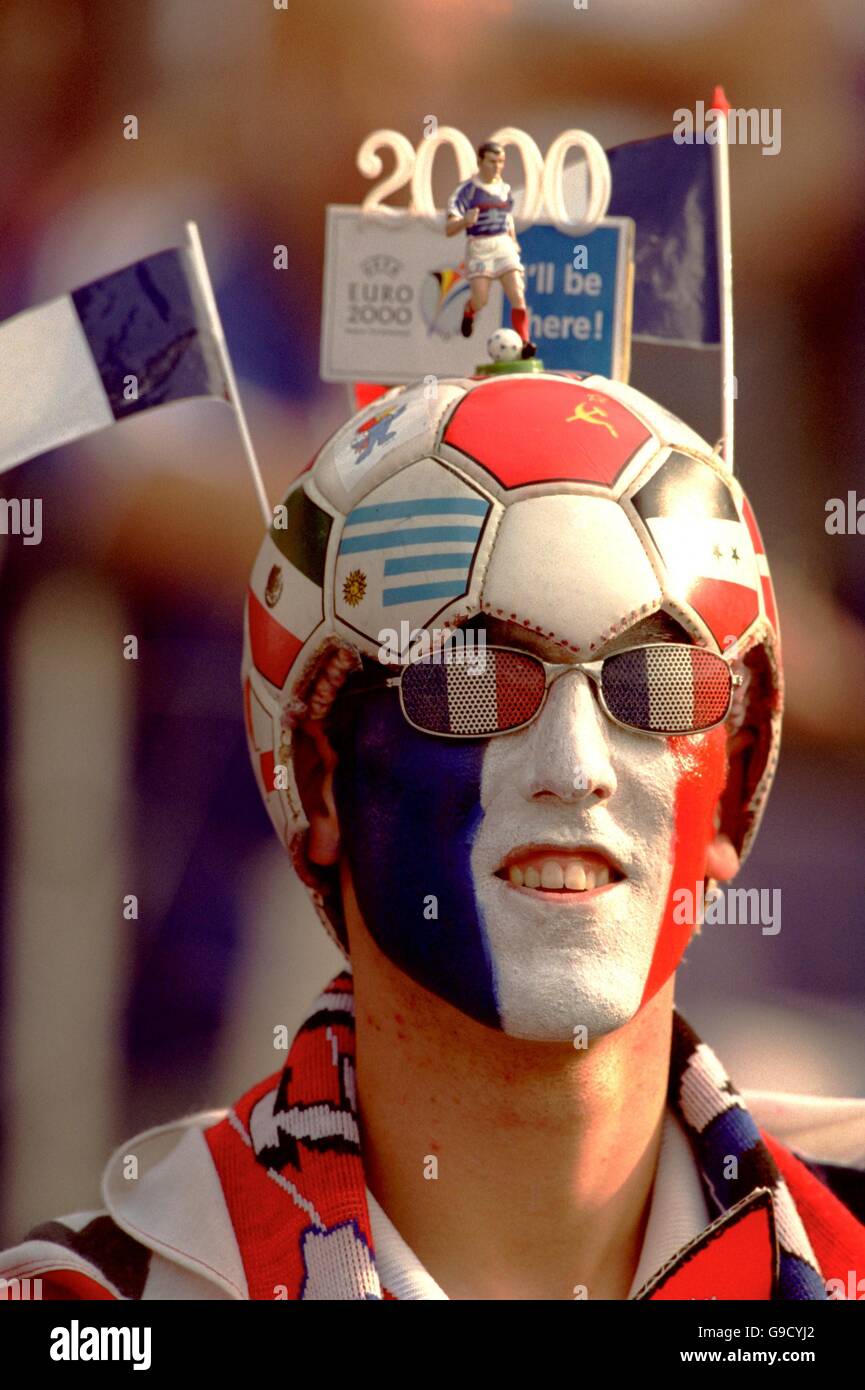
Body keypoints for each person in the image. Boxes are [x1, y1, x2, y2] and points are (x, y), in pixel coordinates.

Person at [2, 370, 864, 1301]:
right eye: (473, 685)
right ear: (319, 779)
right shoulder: (92, 1304)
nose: (578, 769)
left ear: (734, 785)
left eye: (654, 685)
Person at [446, 140, 537, 359]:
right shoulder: (467, 191)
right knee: (481, 299)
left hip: (502, 244)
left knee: (517, 292)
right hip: (480, 246)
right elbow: (449, 228)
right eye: (492, 161)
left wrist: (513, 240)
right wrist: (464, 221)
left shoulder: (505, 190)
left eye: (501, 162)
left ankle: (524, 343)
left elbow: (508, 219)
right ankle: (469, 311)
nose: (497, 166)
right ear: (480, 162)